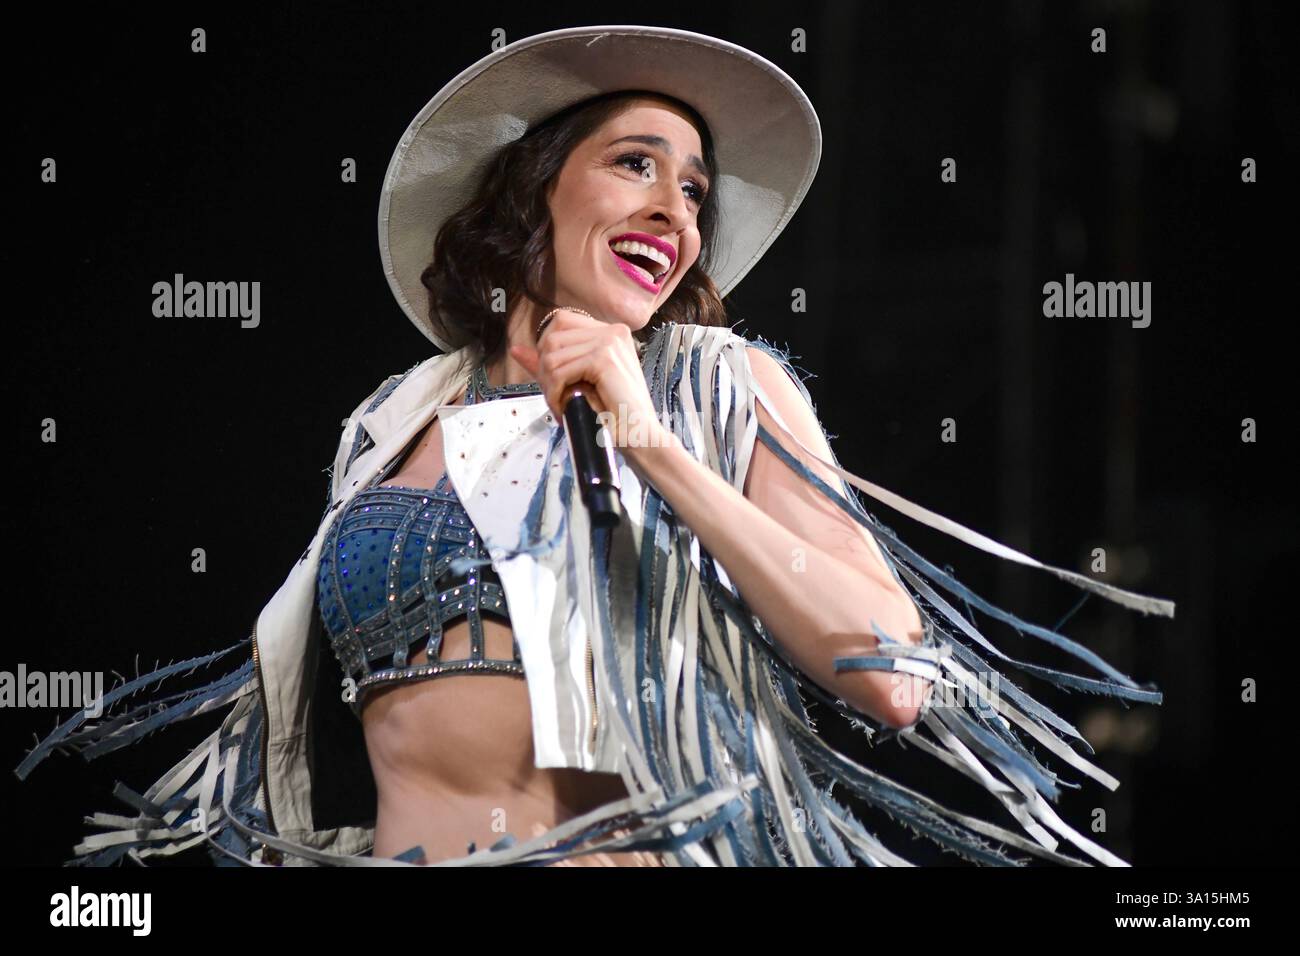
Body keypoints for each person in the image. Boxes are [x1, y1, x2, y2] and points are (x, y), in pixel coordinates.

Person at [15, 25, 1174, 867]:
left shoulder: (720, 384)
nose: (676, 208)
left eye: (695, 188)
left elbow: (894, 676)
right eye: (635, 162)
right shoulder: (390, 420)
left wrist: (654, 445)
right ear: (531, 193)